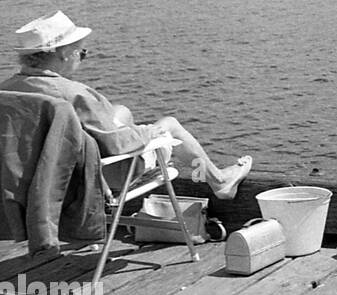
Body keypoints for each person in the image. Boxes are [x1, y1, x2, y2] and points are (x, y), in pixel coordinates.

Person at [2, 11, 252, 200]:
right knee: (170, 126)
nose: (82, 58)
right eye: (81, 52)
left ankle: (214, 177)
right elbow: (115, 145)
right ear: (62, 54)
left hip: (30, 178)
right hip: (91, 179)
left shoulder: (7, 90)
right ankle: (219, 182)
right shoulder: (75, 95)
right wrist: (148, 133)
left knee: (121, 111)